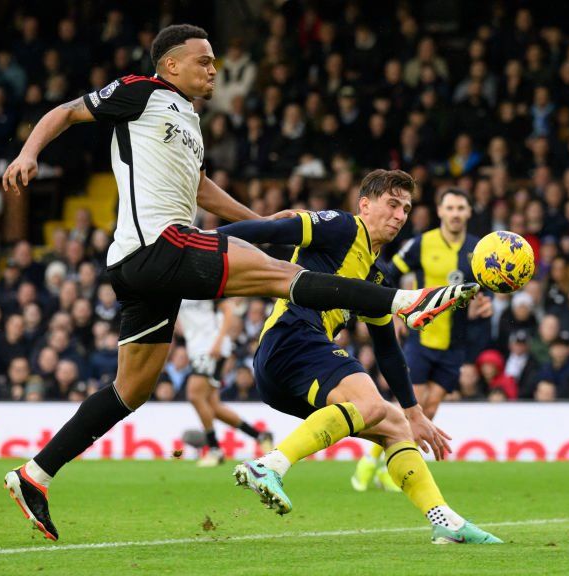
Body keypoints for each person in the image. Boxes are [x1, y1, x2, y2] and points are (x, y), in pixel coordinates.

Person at [0, 24, 478, 542]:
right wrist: (29, 153)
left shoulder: (188, 121)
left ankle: (35, 475)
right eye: (203, 61)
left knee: (131, 389)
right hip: (159, 245)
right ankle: (407, 301)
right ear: (171, 65)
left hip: (146, 265)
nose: (212, 69)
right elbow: (65, 112)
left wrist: (261, 226)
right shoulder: (140, 91)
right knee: (293, 277)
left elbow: (201, 188)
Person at [219, 169, 500, 544]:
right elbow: (270, 230)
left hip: (288, 370)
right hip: (292, 338)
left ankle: (445, 523)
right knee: (369, 402)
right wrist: (200, 244)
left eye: (406, 209)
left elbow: (385, 345)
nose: (400, 216)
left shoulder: (377, 273)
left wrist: (414, 412)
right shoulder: (340, 227)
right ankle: (267, 466)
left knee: (395, 425)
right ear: (365, 205)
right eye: (392, 205)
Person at [350, 188, 492, 493]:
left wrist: (486, 301)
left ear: (468, 213)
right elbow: (386, 272)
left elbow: (486, 286)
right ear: (440, 211)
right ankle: (374, 462)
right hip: (421, 337)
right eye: (450, 207)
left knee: (429, 409)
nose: (455, 213)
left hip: (455, 344)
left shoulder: (477, 250)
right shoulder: (421, 243)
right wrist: (393, 309)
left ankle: (391, 465)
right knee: (408, 406)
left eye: (461, 208)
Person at [177, 298, 272, 467]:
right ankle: (260, 436)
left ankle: (215, 450)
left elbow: (228, 310)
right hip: (196, 348)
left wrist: (219, 341)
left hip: (211, 347)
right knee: (212, 405)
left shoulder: (202, 284)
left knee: (194, 395)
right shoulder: (177, 290)